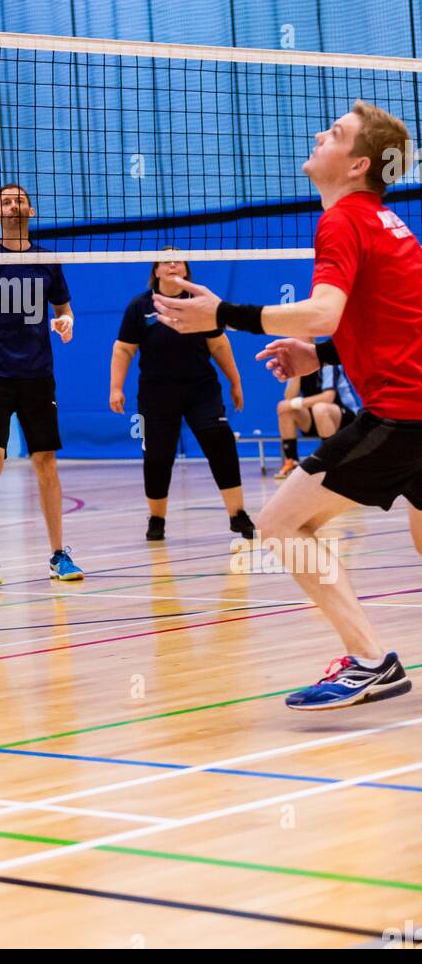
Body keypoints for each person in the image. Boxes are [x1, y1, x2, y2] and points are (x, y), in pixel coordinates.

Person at [153, 100, 422, 711]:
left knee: (278, 524)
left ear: (356, 164)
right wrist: (323, 358)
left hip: (404, 416)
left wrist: (223, 315)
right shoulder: (389, 223)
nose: (319, 135)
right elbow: (399, 323)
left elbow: (326, 309)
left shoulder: (344, 222)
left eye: (334, 134)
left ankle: (369, 662)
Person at [0, 182, 84, 589]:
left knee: (45, 463)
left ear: (30, 210)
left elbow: (64, 310)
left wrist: (67, 323)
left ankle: (58, 554)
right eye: (5, 202)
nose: (13, 206)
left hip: (36, 372)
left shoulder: (47, 260)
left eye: (18, 200)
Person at [110, 252, 255, 542]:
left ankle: (237, 514)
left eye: (179, 260)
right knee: (157, 456)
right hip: (157, 392)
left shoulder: (201, 305)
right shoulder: (140, 306)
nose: (173, 264)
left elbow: (219, 345)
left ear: (187, 270)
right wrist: (116, 387)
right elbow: (123, 348)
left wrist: (235, 381)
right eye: (166, 261)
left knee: (221, 441)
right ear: (156, 271)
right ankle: (157, 519)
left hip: (201, 388)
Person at [274, 349, 358, 480]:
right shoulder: (296, 364)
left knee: (320, 408)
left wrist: (293, 403)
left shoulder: (327, 361)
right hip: (316, 417)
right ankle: (292, 462)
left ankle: (331, 462)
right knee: (285, 409)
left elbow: (328, 397)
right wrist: (296, 373)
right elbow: (289, 397)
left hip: (344, 417)